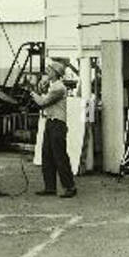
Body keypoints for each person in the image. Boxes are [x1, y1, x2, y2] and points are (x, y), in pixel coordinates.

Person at [30, 59, 77, 197]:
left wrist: (33, 94)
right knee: (47, 155)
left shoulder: (58, 88)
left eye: (50, 71)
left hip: (57, 124)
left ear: (56, 73)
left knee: (59, 156)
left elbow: (43, 102)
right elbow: (45, 96)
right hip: (51, 122)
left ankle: (70, 187)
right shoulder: (54, 86)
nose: (47, 73)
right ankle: (50, 187)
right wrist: (40, 87)